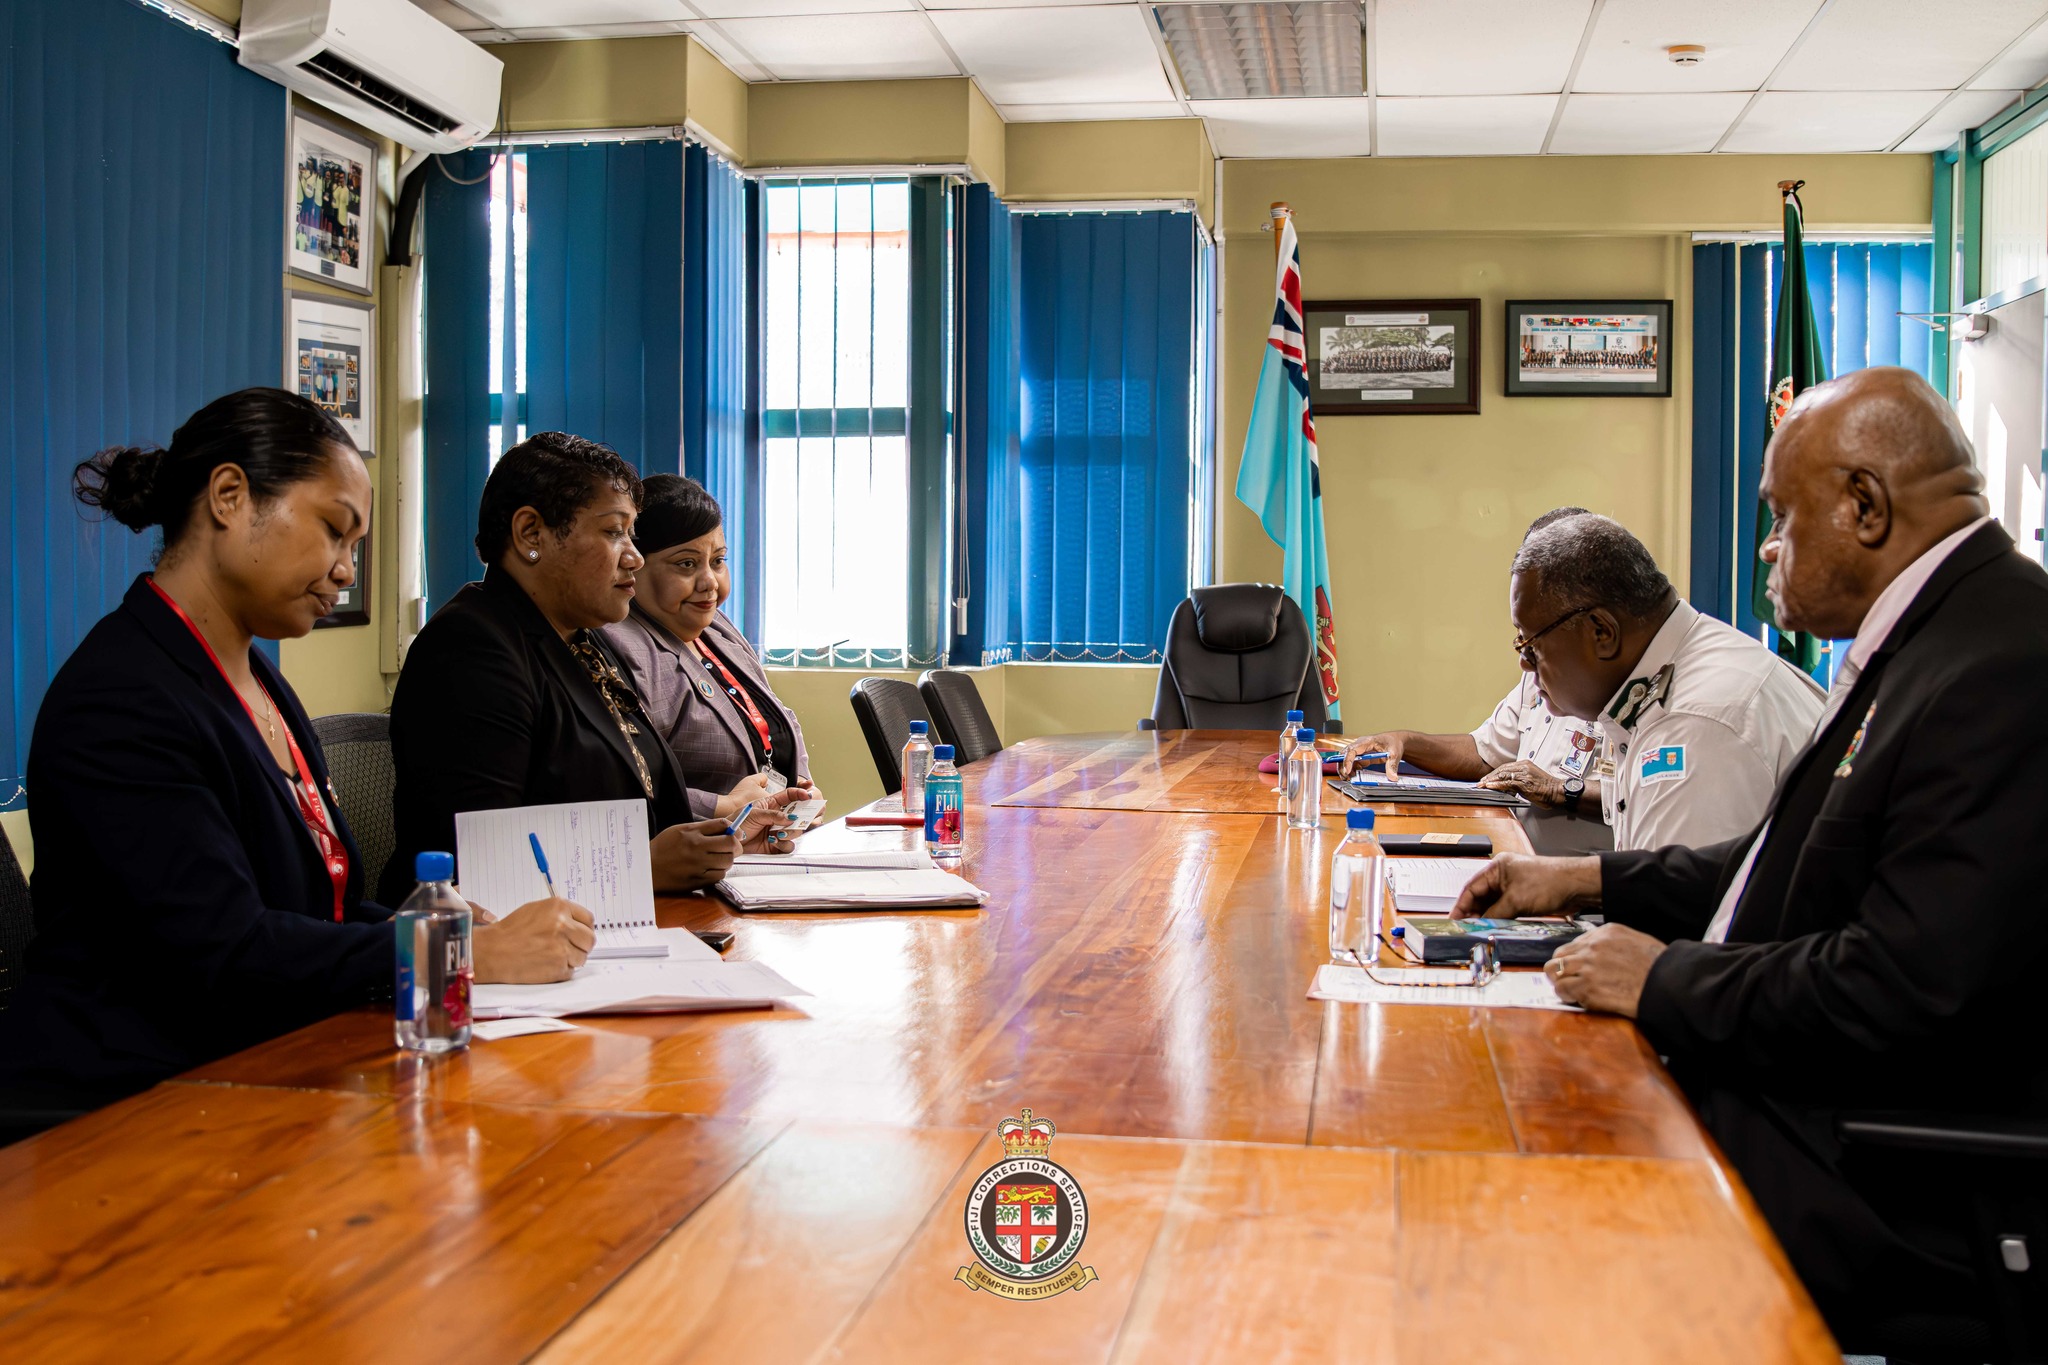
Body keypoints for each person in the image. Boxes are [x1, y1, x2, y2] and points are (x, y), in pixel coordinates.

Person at [1453, 366, 2048, 1348]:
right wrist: (1589, 877)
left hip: (1892, 1169)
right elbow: (1795, 859)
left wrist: (1664, 980)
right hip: (1814, 1090)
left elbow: (1902, 985)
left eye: (1779, 515)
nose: (1768, 546)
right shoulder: (1943, 634)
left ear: (1863, 506)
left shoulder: (1998, 667)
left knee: (1537, 1195)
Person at [0, 389, 594, 1121]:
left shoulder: (257, 678)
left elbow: (311, 909)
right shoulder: (123, 697)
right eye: (334, 531)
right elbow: (225, 950)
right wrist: (450, 950)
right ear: (229, 496)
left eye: (356, 546)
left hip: (261, 1066)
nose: (346, 570)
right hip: (126, 1105)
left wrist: (441, 923)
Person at [383, 432, 792, 906]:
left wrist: (724, 841)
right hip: (492, 942)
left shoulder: (581, 639)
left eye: (632, 535)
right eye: (614, 532)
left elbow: (640, 807)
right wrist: (642, 867)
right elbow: (470, 866)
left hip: (622, 921)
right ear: (531, 533)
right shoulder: (470, 650)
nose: (634, 556)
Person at [1484, 512, 1822, 851]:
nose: (1524, 662)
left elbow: (1676, 884)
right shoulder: (1679, 670)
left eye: (1531, 644)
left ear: (1602, 632)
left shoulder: (1694, 723)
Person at [1337, 507, 1607, 816]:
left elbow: (1645, 794)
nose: (1525, 659)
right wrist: (1403, 742)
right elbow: (1485, 753)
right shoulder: (1538, 664)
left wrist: (1558, 789)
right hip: (1513, 839)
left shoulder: (1620, 675)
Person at [602, 475, 820, 842]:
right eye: (686, 564)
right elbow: (623, 784)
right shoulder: (618, 644)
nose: (710, 583)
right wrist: (722, 806)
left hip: (768, 850)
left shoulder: (716, 624)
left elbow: (772, 717)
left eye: (718, 561)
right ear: (634, 564)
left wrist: (799, 791)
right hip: (695, 856)